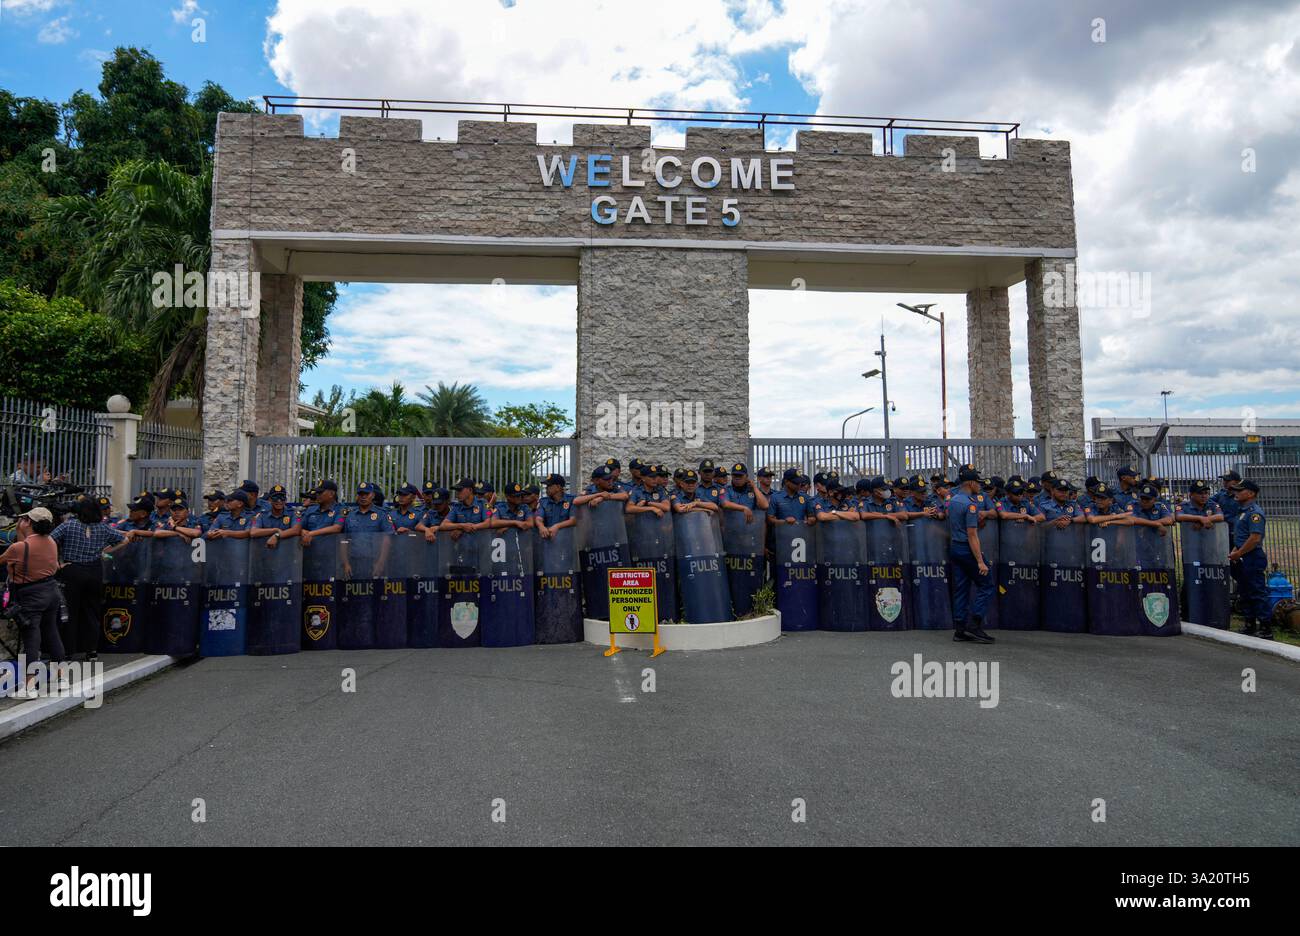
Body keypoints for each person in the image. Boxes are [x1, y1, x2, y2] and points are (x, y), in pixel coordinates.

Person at [50, 497, 127, 661]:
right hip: (94, 570)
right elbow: (124, 540)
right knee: (92, 611)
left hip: (72, 570)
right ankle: (91, 650)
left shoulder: (69, 525)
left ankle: (69, 650)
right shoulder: (102, 527)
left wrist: (57, 562)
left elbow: (50, 539)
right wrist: (105, 551)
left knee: (70, 611)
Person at [0, 508, 66, 697]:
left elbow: (5, 559)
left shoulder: (19, 548)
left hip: (30, 595)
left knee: (32, 639)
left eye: (24, 519)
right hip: (51, 591)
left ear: (28, 522)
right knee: (52, 634)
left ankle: (29, 685)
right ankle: (61, 678)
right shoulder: (51, 541)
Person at [948, 464, 995, 643]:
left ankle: (960, 629)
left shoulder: (953, 500)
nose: (980, 485)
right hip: (967, 548)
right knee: (987, 584)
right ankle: (974, 625)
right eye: (977, 482)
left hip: (955, 547)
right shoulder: (970, 505)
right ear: (969, 483)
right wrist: (980, 561)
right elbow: (972, 534)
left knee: (961, 588)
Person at [1228, 479, 1272, 639]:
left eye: (1240, 490)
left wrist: (1239, 553)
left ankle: (1266, 627)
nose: (1236, 493)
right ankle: (1250, 624)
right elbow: (1241, 536)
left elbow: (1254, 538)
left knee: (1256, 591)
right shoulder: (1242, 511)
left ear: (1251, 493)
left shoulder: (1254, 513)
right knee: (1245, 591)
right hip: (1242, 555)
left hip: (1251, 556)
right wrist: (1235, 550)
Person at [535, 473, 576, 539]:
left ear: (558, 487)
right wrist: (541, 526)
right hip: (549, 541)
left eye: (549, 485)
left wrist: (557, 526)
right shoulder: (543, 502)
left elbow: (573, 520)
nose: (546, 488)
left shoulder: (571, 500)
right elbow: (539, 518)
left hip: (566, 542)